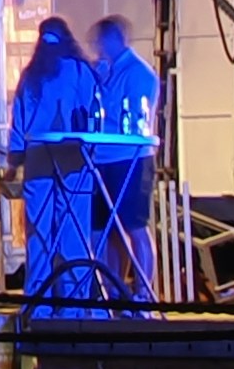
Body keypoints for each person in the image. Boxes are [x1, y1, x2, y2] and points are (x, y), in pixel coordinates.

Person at [11, 16, 104, 304]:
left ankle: (37, 303)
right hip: (74, 160)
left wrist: (14, 161)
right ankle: (73, 302)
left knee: (39, 233)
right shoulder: (81, 72)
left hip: (38, 159)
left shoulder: (32, 76)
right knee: (73, 232)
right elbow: (94, 118)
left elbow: (18, 123)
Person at [87, 16, 163, 304]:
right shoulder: (105, 70)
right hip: (102, 160)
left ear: (116, 39)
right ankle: (112, 292)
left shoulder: (138, 74)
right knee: (106, 231)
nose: (97, 47)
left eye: (101, 41)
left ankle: (144, 294)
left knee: (134, 227)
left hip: (129, 160)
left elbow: (132, 120)